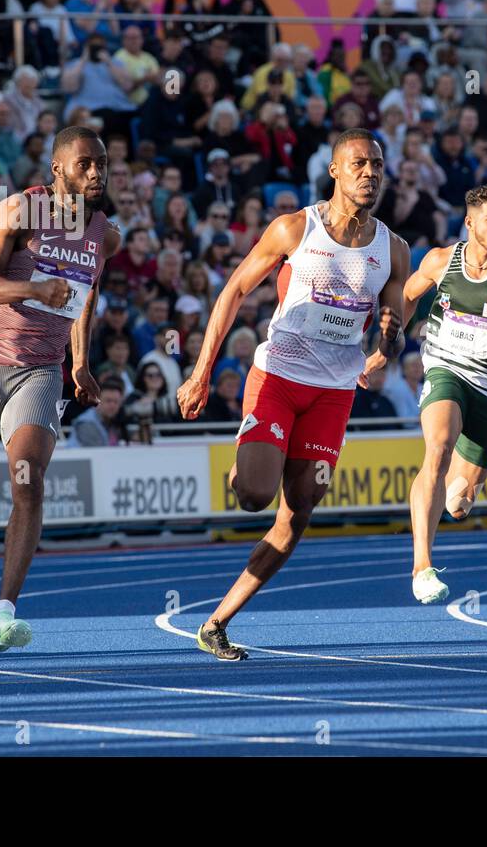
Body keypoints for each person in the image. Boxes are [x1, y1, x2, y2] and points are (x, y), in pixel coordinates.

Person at [178, 128, 409, 660]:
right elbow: (235, 289)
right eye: (358, 164)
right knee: (255, 494)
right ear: (334, 170)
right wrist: (200, 371)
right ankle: (246, 462)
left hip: (333, 394)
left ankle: (217, 622)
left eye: (376, 164)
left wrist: (390, 337)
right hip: (279, 378)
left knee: (299, 509)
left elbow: (394, 329)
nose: (369, 173)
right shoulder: (294, 228)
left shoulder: (392, 248)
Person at [0, 126, 121, 652]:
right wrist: (33, 287)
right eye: (85, 164)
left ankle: (3, 613)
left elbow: (85, 294)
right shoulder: (18, 212)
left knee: (28, 480)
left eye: (102, 163)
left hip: (40, 372)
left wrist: (79, 361)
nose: (97, 173)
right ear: (57, 170)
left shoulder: (105, 235)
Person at [364, 184, 487, 603]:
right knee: (437, 447)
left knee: (459, 504)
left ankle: (454, 498)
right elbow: (406, 297)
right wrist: (387, 343)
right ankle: (422, 566)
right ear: (469, 222)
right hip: (445, 367)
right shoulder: (440, 260)